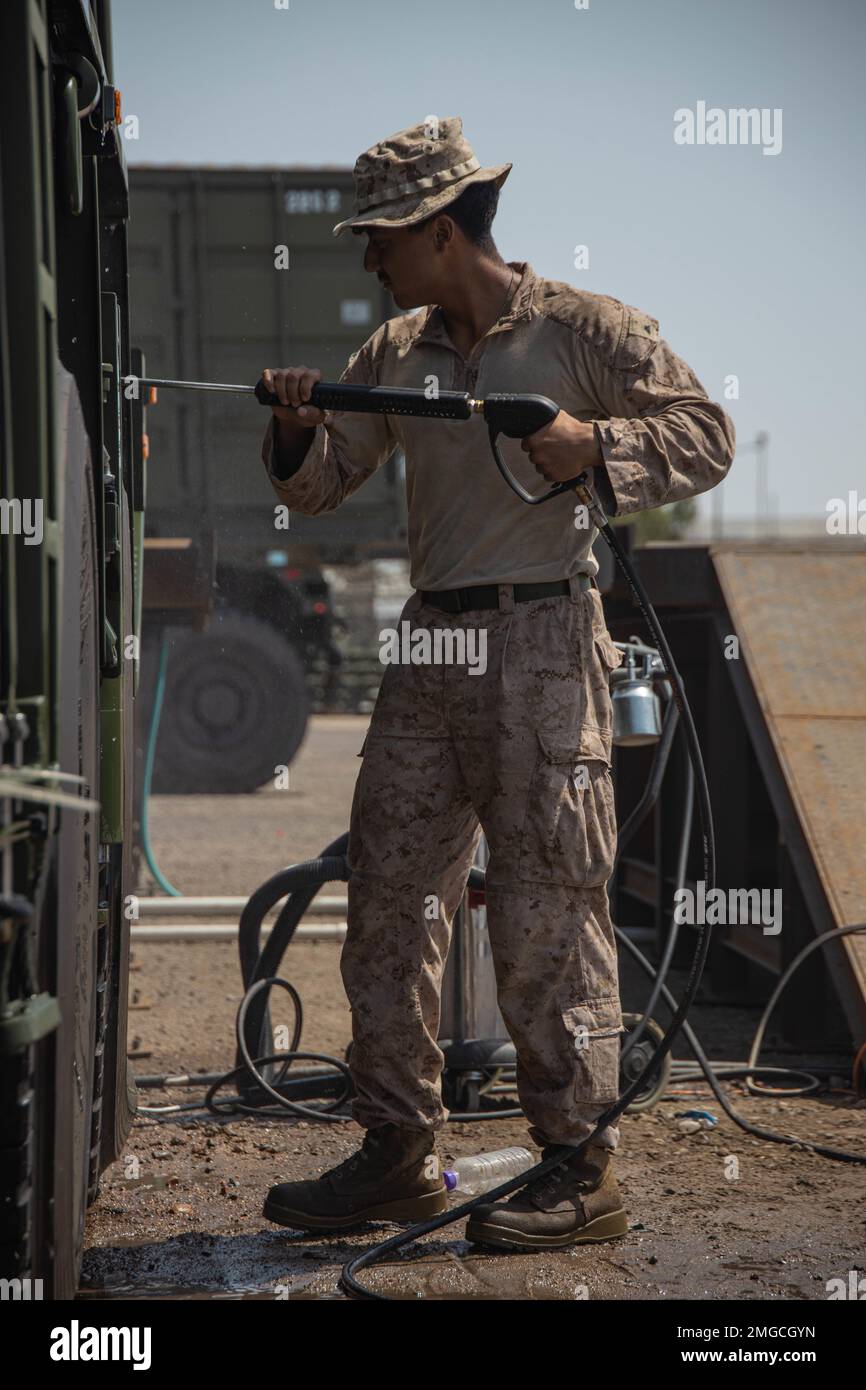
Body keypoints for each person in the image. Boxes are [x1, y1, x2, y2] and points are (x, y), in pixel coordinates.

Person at [259, 116, 734, 1249]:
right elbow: (321, 486)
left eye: (381, 236)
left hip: (541, 643)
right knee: (385, 900)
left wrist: (594, 450)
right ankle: (395, 1153)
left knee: (545, 914)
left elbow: (705, 434)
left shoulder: (583, 329)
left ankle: (576, 1169)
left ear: (437, 227)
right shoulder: (391, 353)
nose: (368, 257)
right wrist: (290, 431)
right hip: (431, 650)